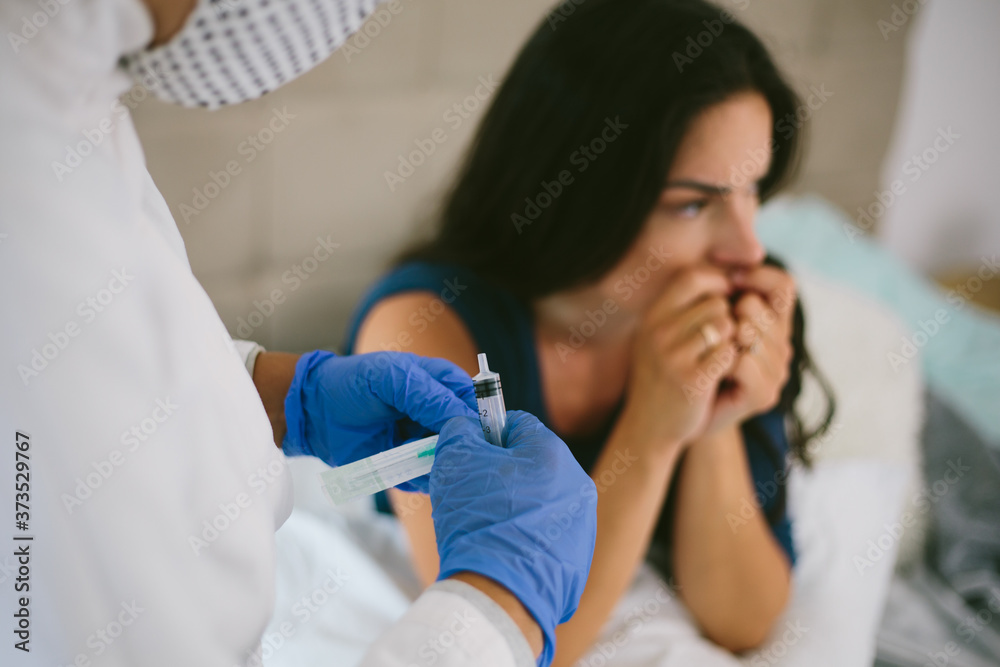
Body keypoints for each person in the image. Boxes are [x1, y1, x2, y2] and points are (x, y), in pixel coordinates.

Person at [0, 1, 597, 665]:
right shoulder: (21, 193)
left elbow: (110, 366)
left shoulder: (56, 96)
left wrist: (272, 391)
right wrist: (499, 602)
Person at [346, 0, 835, 664]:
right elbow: (504, 629)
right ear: (579, 186)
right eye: (695, 203)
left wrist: (711, 421)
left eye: (753, 192)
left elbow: (743, 619)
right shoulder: (425, 331)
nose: (748, 250)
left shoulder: (731, 300)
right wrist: (655, 427)